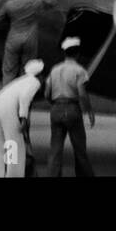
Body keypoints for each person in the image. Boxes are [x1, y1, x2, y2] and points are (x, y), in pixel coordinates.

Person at [43, 37, 95, 177]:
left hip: (55, 108)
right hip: (72, 109)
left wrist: (54, 103)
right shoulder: (79, 70)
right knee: (79, 150)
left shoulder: (54, 69)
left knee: (55, 150)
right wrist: (89, 111)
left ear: (64, 53)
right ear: (77, 54)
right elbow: (82, 94)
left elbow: (47, 92)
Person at [0, 0, 58, 86]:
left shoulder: (10, 3)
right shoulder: (36, 2)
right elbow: (53, 2)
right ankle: (23, 98)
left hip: (14, 37)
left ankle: (7, 97)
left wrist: (8, 26)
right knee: (27, 72)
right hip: (30, 39)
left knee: (9, 71)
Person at [0, 58, 43, 178]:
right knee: (13, 145)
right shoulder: (34, 82)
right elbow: (25, 98)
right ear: (40, 74)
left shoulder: (21, 80)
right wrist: (23, 119)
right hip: (7, 110)